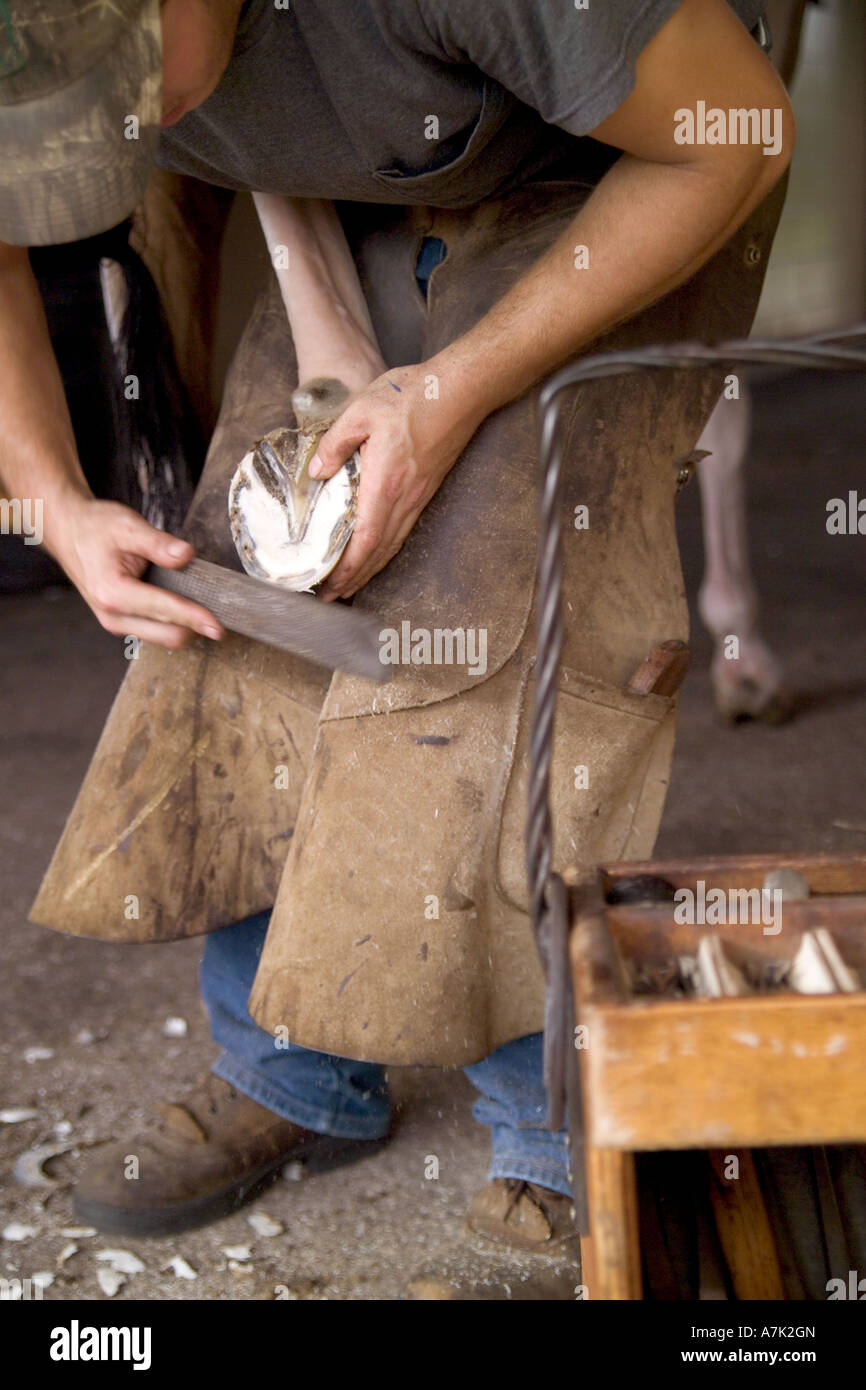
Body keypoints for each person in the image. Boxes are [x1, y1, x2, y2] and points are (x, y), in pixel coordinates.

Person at [1, 0, 792, 1298]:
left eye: (112, 91)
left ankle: (549, 1112)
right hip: (369, 151)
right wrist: (50, 499)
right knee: (258, 559)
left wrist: (451, 389)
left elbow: (737, 134)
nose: (100, 140)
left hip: (632, 161)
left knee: (478, 594)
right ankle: (291, 1063)